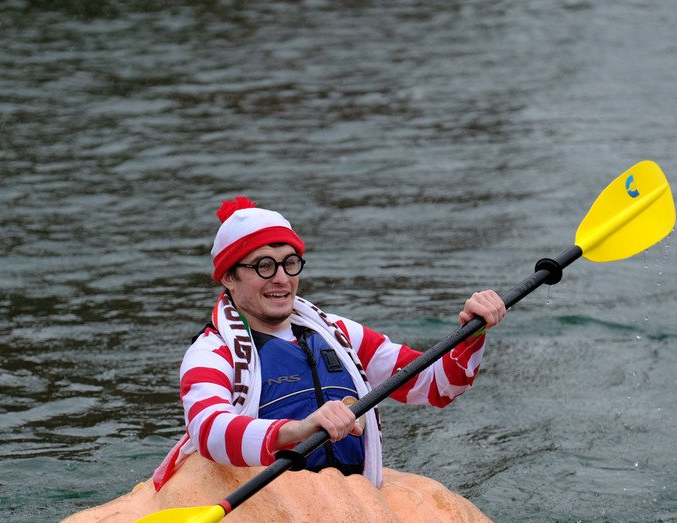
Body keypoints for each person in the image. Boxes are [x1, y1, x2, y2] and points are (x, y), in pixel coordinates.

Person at [152, 196, 505, 490]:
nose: (281, 279)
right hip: (269, 512)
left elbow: (439, 385)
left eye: (290, 263)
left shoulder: (341, 334)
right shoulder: (212, 352)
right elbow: (210, 432)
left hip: (351, 501)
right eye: (264, 266)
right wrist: (300, 429)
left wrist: (472, 331)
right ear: (229, 276)